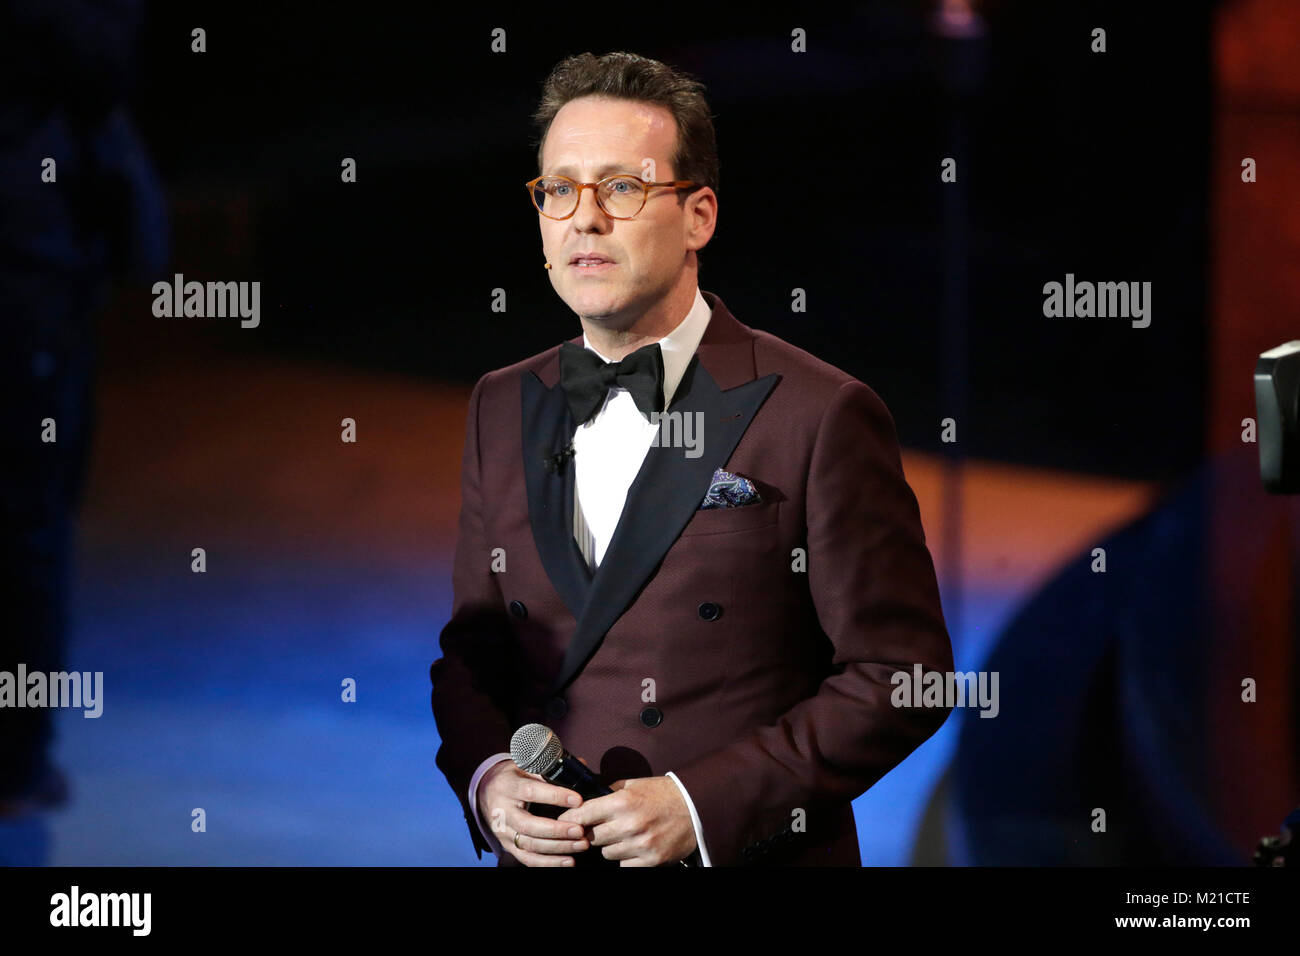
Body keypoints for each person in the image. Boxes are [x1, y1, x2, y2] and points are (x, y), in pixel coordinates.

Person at [429, 51, 953, 867]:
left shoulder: (818, 412)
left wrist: (702, 806)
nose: (584, 219)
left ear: (699, 216)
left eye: (621, 187)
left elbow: (903, 675)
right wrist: (488, 776)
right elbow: (472, 651)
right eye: (559, 189)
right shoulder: (500, 403)